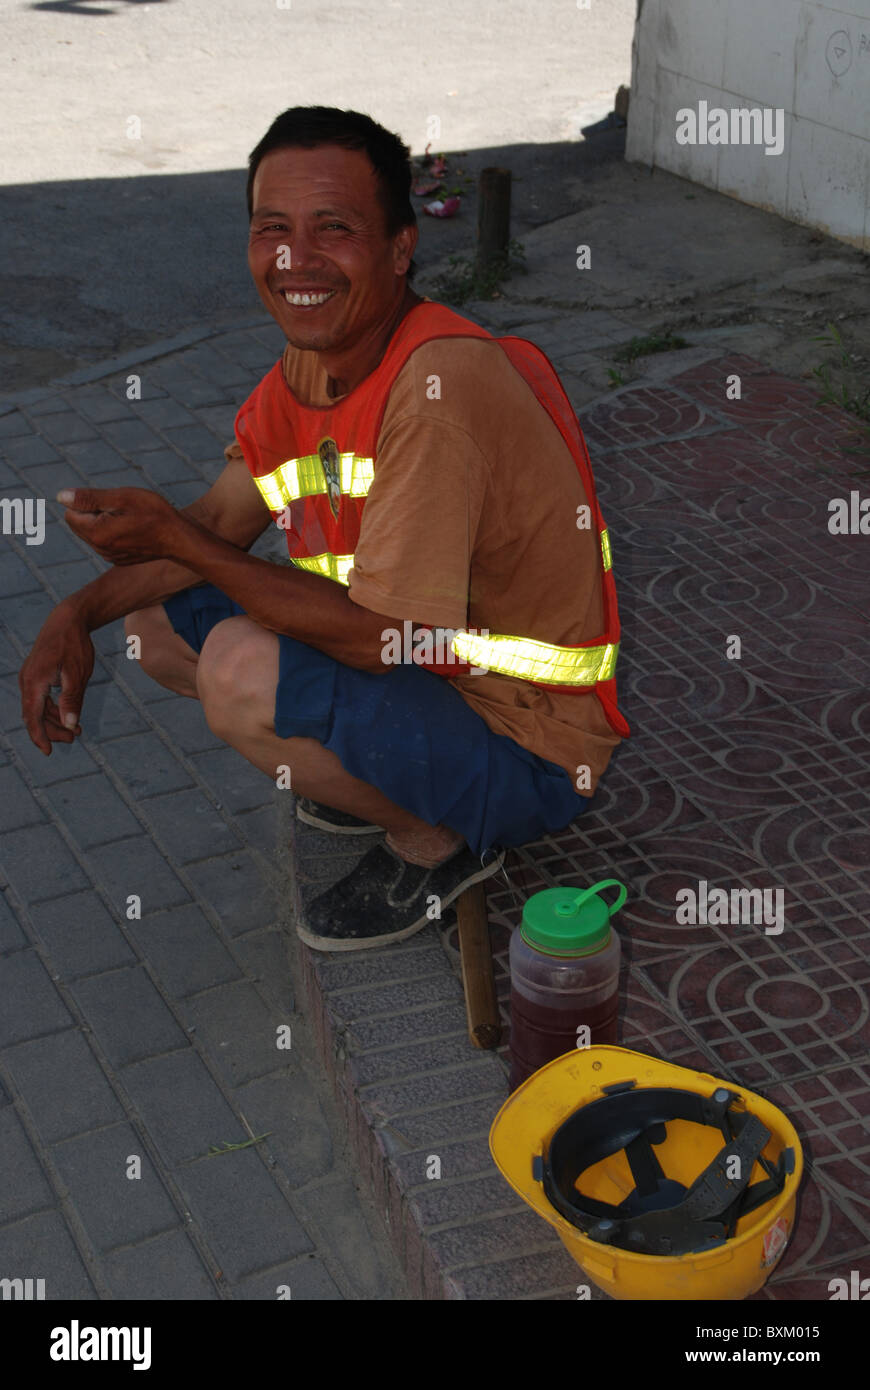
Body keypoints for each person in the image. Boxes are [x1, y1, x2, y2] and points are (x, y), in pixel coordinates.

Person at [18, 106, 628, 953]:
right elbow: (215, 524)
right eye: (273, 229)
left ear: (400, 249)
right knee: (152, 625)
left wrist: (182, 543)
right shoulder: (312, 364)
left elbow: (380, 641)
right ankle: (365, 772)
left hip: (528, 746)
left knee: (236, 668)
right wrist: (73, 617)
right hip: (428, 679)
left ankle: (438, 842)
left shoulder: (438, 391)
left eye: (333, 229)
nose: (294, 260)